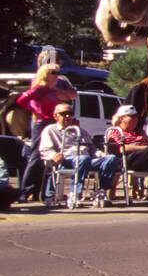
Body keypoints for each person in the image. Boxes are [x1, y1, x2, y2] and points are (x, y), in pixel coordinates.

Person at [15, 63, 77, 201]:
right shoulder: (39, 89)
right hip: (41, 123)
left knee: (50, 157)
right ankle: (25, 192)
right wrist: (36, 110)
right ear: (46, 75)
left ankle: (43, 192)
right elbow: (21, 100)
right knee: (37, 156)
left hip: (52, 124)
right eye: (53, 73)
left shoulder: (53, 90)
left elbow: (72, 96)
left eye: (57, 73)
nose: (56, 76)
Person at [39, 103, 121, 203]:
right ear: (56, 116)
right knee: (82, 159)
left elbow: (92, 149)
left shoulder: (81, 131)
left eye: (70, 113)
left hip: (87, 159)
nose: (68, 116)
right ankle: (75, 193)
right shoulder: (50, 130)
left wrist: (102, 154)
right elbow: (45, 149)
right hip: (67, 160)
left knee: (111, 158)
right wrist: (54, 155)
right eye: (64, 113)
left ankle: (101, 191)